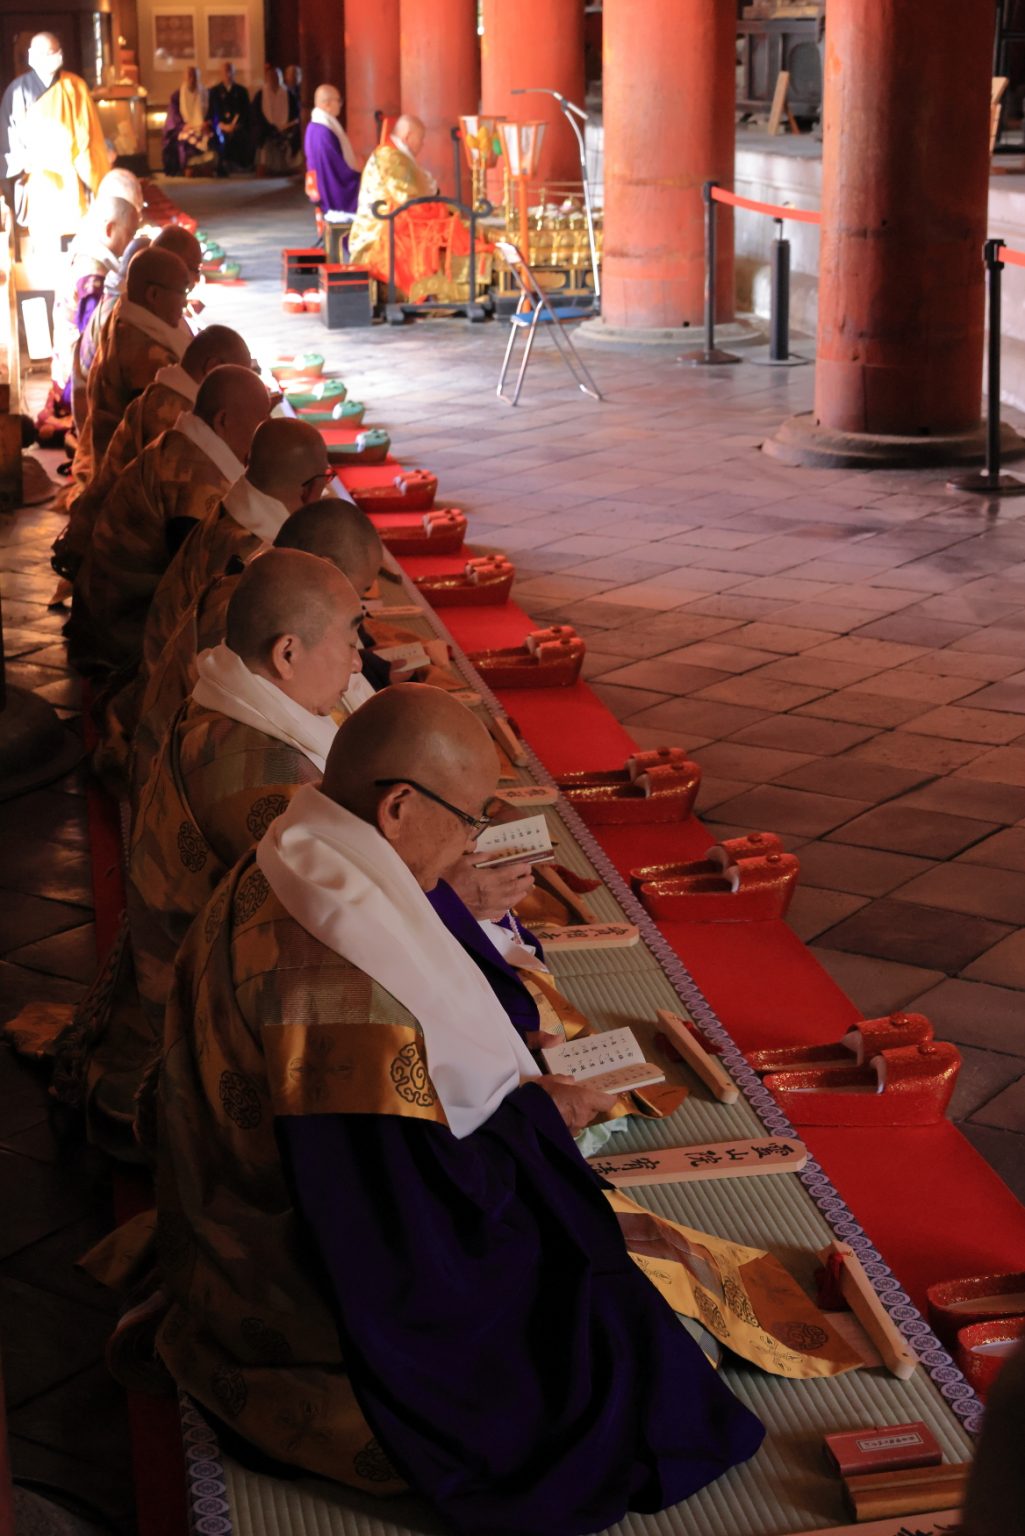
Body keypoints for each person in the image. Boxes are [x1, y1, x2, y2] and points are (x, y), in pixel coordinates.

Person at [141, 683, 764, 1528]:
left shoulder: (298, 847)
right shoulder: (348, 990)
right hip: (294, 1301)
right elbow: (402, 1231)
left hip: (224, 1215)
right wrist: (538, 1123)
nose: (473, 841)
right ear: (397, 806)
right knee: (632, 1378)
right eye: (469, 818)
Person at [134, 502, 381, 788]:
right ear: (286, 654)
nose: (356, 663)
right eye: (351, 646)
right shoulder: (280, 778)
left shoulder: (261, 594)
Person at [69, 365, 271, 684]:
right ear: (223, 420)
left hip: (107, 609)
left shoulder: (186, 445)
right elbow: (204, 587)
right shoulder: (193, 477)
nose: (266, 431)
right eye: (261, 421)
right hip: (121, 631)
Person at [54, 325, 253, 584]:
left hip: (104, 555)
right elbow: (193, 542)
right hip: (122, 592)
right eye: (243, 374)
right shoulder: (172, 418)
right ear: (213, 368)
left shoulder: (167, 397)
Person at [143, 419, 331, 674]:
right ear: (310, 489)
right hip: (181, 691)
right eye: (327, 478)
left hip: (154, 663)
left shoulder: (227, 511)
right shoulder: (264, 559)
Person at [64, 247, 191, 512]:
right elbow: (165, 441)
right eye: (183, 292)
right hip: (125, 483)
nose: (185, 303)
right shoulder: (147, 357)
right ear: (153, 295)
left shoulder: (125, 313)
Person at [347, 112, 486, 299]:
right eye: (420, 139)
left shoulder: (395, 154)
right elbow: (410, 201)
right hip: (378, 235)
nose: (422, 145)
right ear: (408, 136)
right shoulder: (391, 157)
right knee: (447, 234)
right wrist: (444, 211)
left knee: (453, 227)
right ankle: (446, 291)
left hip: (397, 222)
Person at [41, 193, 139, 440]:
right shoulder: (92, 270)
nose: (130, 243)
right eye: (130, 235)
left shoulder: (91, 253)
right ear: (109, 229)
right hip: (76, 380)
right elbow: (93, 336)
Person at [21, 47, 110, 252]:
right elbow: (85, 139)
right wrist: (99, 183)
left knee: (49, 247)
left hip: (44, 184)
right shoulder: (71, 86)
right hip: (60, 180)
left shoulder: (70, 86)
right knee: (69, 246)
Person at [303, 83, 360, 220]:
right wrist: (359, 177)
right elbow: (336, 169)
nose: (340, 104)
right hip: (332, 190)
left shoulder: (314, 127)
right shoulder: (323, 132)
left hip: (324, 186)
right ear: (328, 103)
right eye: (338, 100)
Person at [162, 67, 215, 176]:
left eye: (195, 76)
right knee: (185, 139)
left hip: (202, 128)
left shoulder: (206, 93)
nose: (192, 79)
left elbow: (213, 113)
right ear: (184, 77)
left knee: (212, 139)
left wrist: (208, 122)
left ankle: (204, 166)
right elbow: (174, 116)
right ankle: (189, 166)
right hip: (185, 128)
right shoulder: (177, 96)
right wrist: (183, 126)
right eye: (190, 76)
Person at [252, 65, 300, 174]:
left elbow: (295, 114)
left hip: (286, 127)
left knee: (295, 134)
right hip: (266, 128)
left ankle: (288, 166)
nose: (275, 79)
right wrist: (271, 127)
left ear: (281, 78)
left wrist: (286, 126)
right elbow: (256, 115)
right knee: (262, 133)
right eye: (272, 77)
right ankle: (266, 166)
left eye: (277, 77)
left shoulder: (288, 94)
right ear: (267, 78)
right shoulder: (260, 95)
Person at [210, 62, 252, 172]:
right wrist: (220, 124)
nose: (228, 74)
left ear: (234, 73)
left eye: (230, 72)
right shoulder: (214, 91)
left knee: (240, 135)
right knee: (219, 138)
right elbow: (212, 112)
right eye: (225, 72)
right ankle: (222, 164)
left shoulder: (242, 91)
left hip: (237, 126)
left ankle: (238, 164)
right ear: (221, 73)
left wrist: (237, 125)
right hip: (220, 126)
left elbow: (246, 112)